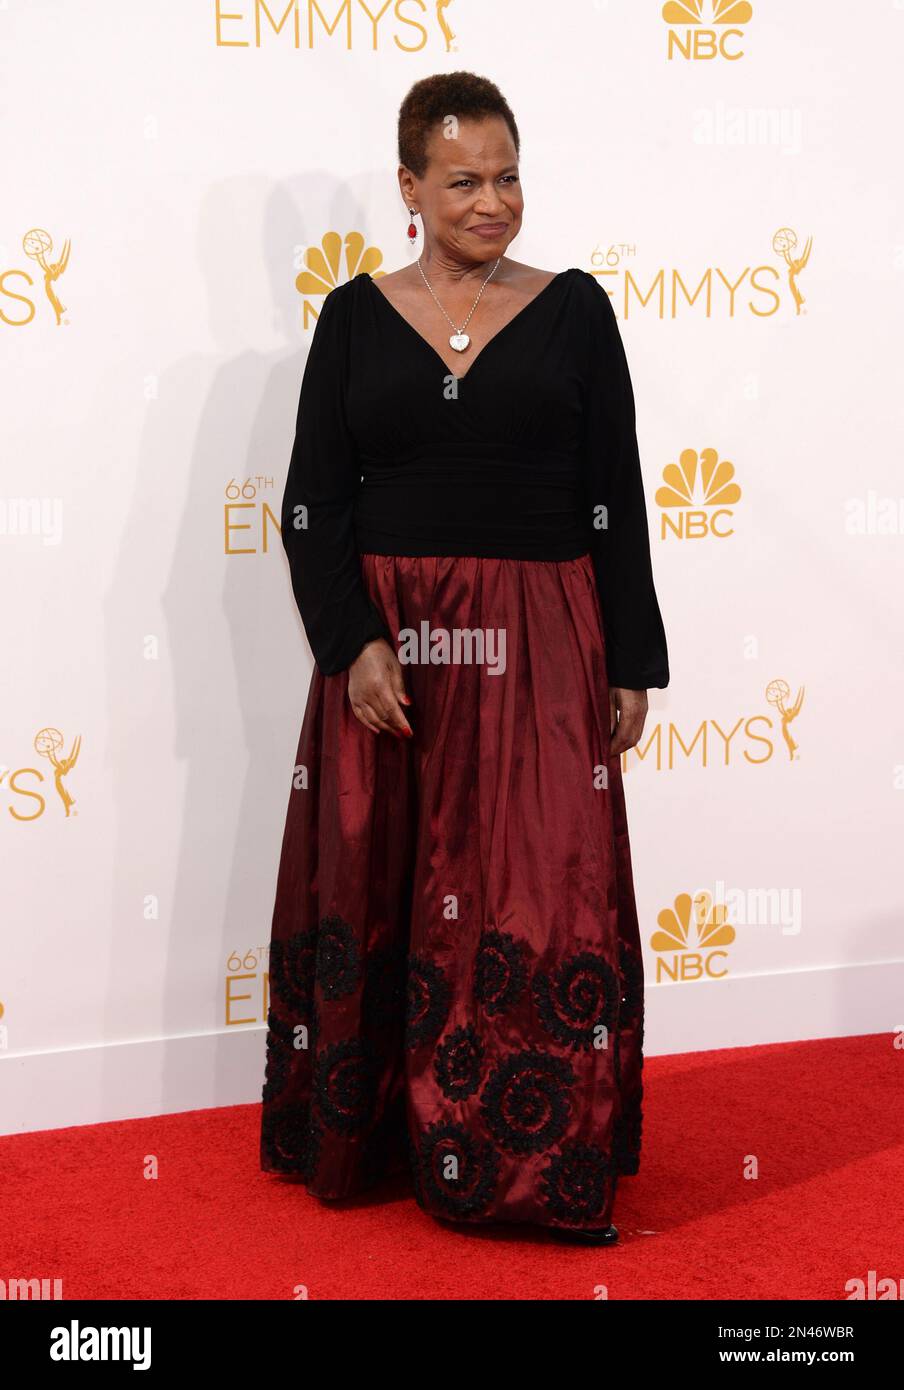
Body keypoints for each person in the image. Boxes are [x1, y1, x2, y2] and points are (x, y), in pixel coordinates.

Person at [260, 70, 669, 1244]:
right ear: (409, 187)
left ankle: (529, 1151)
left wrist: (629, 657)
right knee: (385, 875)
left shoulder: (577, 310)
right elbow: (313, 504)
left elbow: (617, 498)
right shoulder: (351, 316)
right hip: (394, 646)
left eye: (507, 176)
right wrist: (352, 644)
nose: (492, 201)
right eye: (463, 181)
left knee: (542, 887)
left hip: (543, 637)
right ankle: (382, 1128)